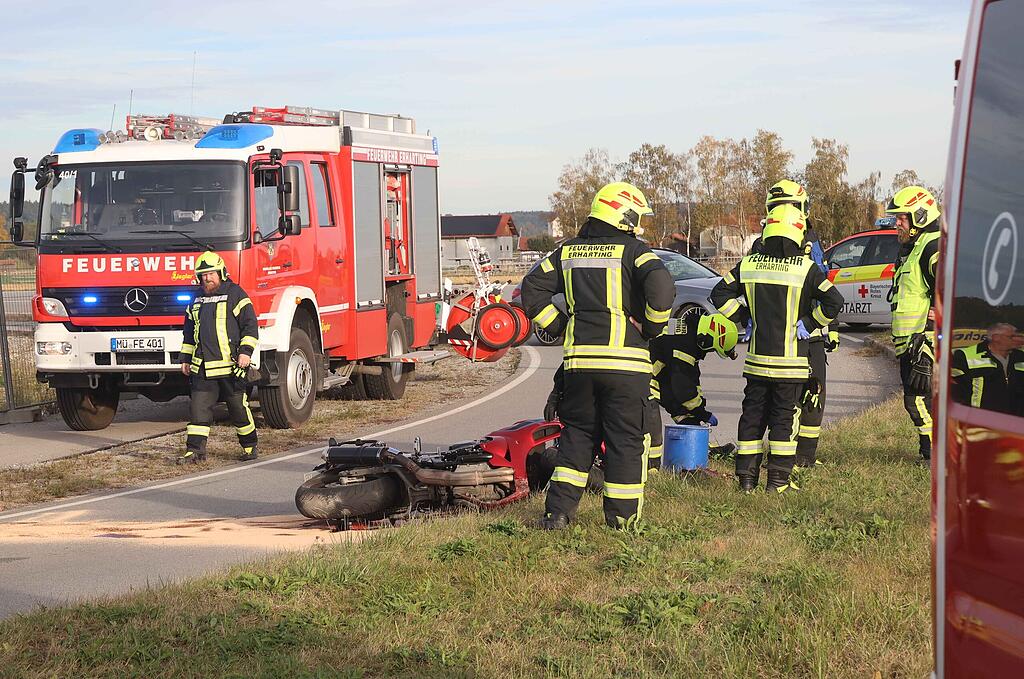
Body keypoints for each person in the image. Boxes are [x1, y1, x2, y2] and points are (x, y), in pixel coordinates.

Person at [522, 181, 674, 529]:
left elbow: (532, 287)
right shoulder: (636, 252)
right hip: (625, 366)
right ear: (626, 216)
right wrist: (651, 328)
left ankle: (557, 514)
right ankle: (622, 521)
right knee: (624, 441)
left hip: (579, 367)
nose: (640, 226)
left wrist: (558, 324)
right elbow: (663, 290)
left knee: (577, 439)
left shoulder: (568, 252)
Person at [711, 204, 844, 492]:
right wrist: (810, 323)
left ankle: (746, 480)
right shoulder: (806, 268)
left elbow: (718, 293)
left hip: (756, 362)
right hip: (791, 364)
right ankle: (778, 481)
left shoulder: (749, 264)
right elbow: (835, 302)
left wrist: (743, 317)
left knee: (752, 418)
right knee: (783, 420)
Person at [757, 179, 840, 468]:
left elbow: (825, 285)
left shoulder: (812, 240)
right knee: (784, 400)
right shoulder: (762, 244)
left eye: (789, 206)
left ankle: (805, 456)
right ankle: (781, 457)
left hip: (813, 331)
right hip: (782, 336)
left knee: (814, 395)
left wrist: (831, 326)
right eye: (778, 207)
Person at [177, 251, 260, 464]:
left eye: (211, 273)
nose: (207, 278)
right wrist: (185, 358)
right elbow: (189, 331)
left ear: (221, 273)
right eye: (203, 274)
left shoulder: (235, 294)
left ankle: (250, 446)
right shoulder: (195, 298)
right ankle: (194, 451)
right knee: (198, 412)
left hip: (230, 368)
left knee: (238, 410)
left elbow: (250, 325)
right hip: (202, 368)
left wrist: (245, 353)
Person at [885, 186, 942, 462]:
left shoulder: (932, 246)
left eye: (902, 218)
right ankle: (929, 451)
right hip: (909, 343)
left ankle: (935, 453)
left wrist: (929, 344)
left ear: (920, 215)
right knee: (918, 401)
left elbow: (948, 292)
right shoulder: (913, 247)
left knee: (917, 401)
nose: (897, 222)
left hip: (923, 344)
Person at [950, 323, 1024, 415]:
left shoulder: (1020, 357)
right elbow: (955, 390)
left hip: (1016, 422)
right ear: (996, 337)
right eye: (1011, 337)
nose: (1018, 339)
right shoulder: (965, 356)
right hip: (980, 421)